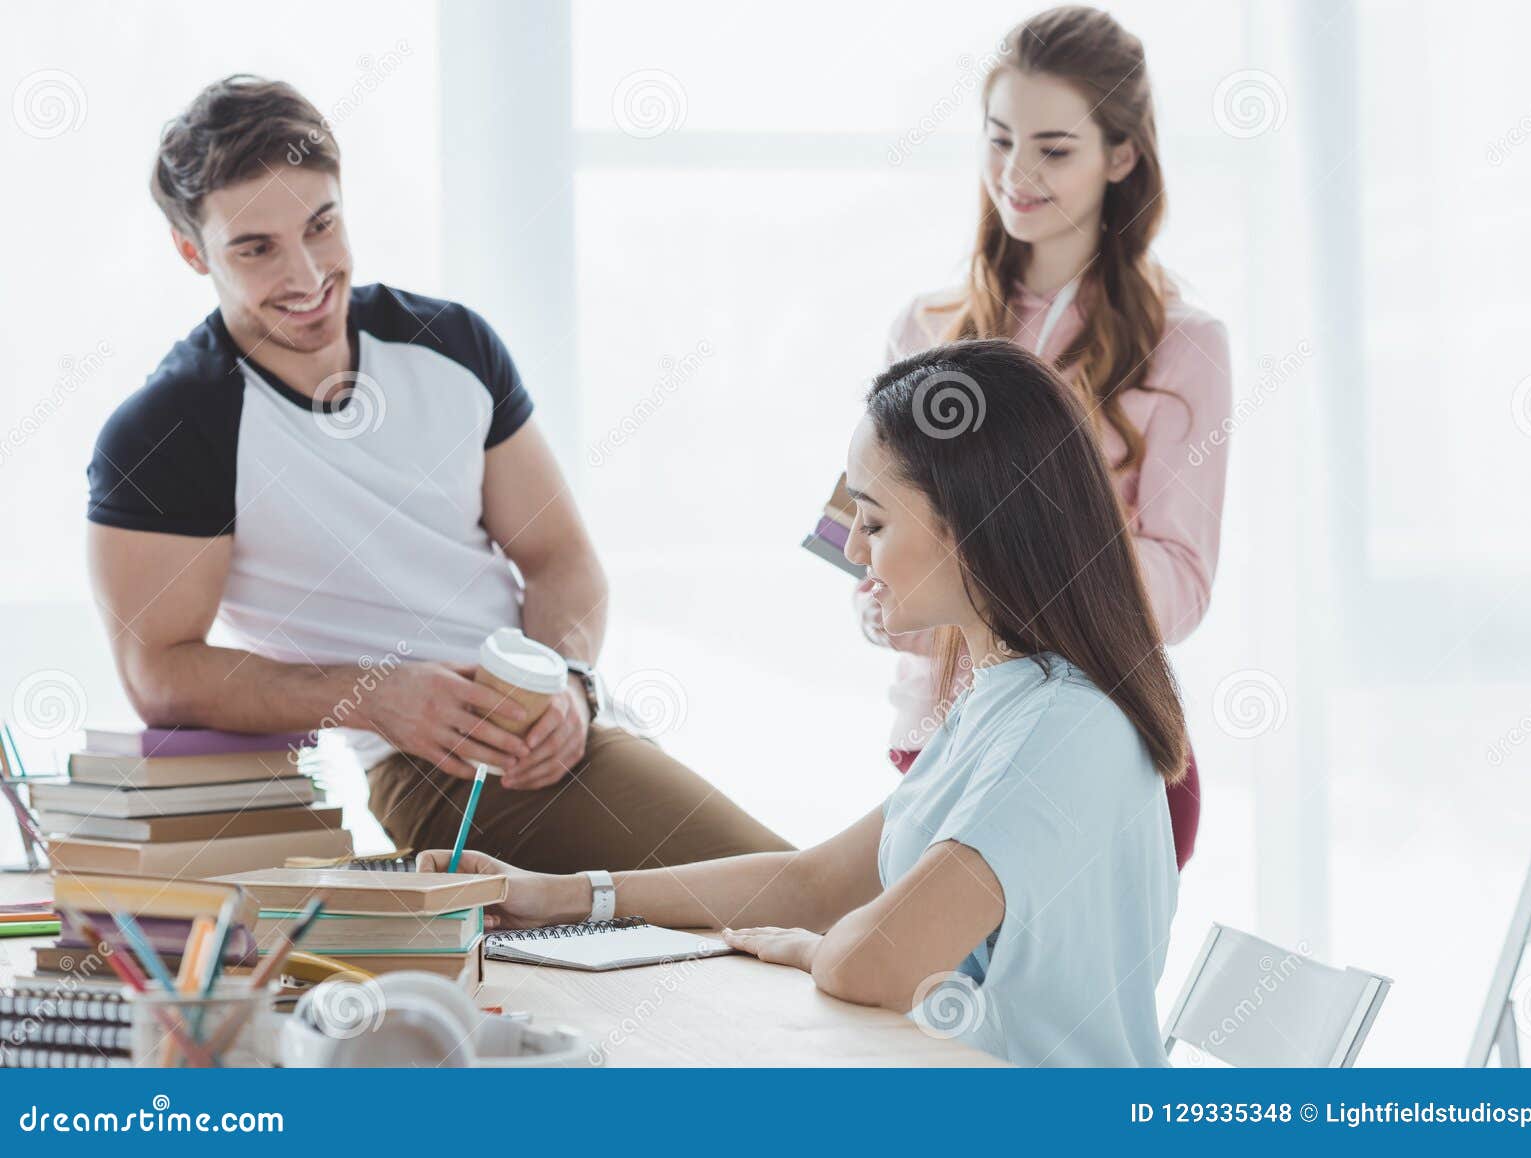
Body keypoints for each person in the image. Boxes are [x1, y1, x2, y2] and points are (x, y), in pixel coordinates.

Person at [85, 76, 788, 870]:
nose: (310, 276)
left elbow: (560, 559)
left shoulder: (450, 344)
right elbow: (160, 671)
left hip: (560, 720)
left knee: (789, 898)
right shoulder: (173, 430)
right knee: (784, 889)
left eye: (323, 226)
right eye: (257, 248)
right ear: (191, 251)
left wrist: (569, 681)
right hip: (430, 764)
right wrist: (375, 696)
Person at [428, 340, 1186, 1067]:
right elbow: (816, 883)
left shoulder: (1064, 725)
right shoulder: (1006, 699)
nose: (853, 548)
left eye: (875, 520)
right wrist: (559, 898)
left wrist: (814, 950)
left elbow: (872, 962)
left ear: (975, 523)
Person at [860, 6, 1232, 869]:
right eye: (998, 140)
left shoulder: (1186, 344)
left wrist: (995, 571)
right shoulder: (922, 328)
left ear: (1122, 154)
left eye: (1054, 149)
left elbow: (1182, 584)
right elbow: (854, 533)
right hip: (940, 740)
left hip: (1091, 750)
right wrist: (882, 601)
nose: (1016, 173)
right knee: (909, 999)